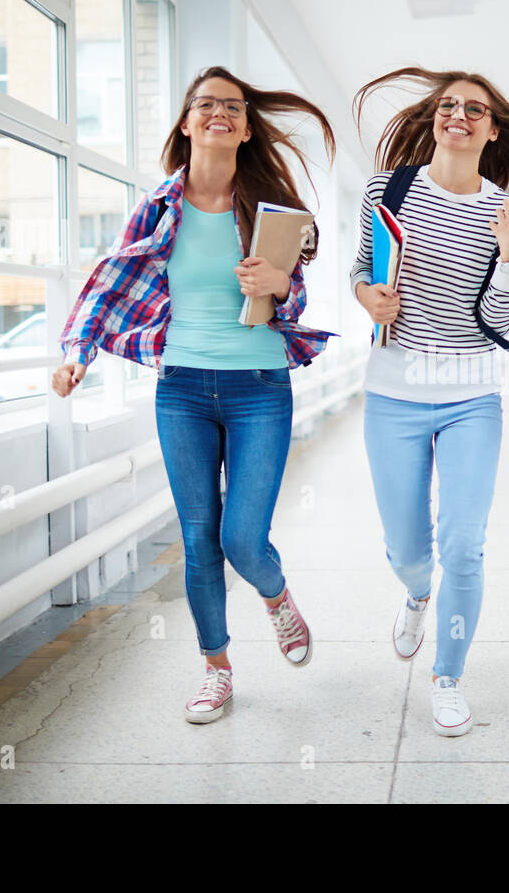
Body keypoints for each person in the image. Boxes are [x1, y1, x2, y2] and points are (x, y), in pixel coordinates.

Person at [52, 66, 337, 724]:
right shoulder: (157, 208)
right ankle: (216, 669)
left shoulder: (272, 210)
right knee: (199, 535)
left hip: (259, 388)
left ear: (244, 128)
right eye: (206, 104)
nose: (220, 113)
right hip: (180, 388)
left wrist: (277, 280)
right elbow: (106, 284)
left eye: (233, 107)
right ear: (186, 123)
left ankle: (276, 595)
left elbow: (291, 301)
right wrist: (76, 355)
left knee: (243, 537)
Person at [349, 67, 509, 736]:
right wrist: (368, 296)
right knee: (407, 548)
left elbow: (498, 319)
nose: (459, 115)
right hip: (394, 389)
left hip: (471, 394)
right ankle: (416, 592)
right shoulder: (387, 189)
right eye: (449, 105)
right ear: (435, 119)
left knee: (464, 543)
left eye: (475, 109)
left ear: (492, 130)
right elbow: (362, 271)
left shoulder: (506, 213)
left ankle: (448, 675)